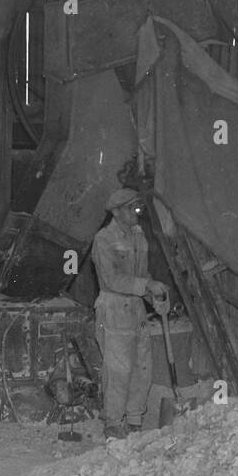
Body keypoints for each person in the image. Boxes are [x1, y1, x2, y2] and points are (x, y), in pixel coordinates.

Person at [91, 187, 169, 440]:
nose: (137, 212)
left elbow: (141, 276)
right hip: (113, 309)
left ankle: (134, 420)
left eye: (138, 206)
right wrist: (146, 286)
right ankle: (114, 423)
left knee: (141, 366)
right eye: (131, 207)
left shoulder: (138, 236)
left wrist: (153, 297)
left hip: (135, 309)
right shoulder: (104, 239)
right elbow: (111, 279)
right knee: (118, 369)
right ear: (116, 212)